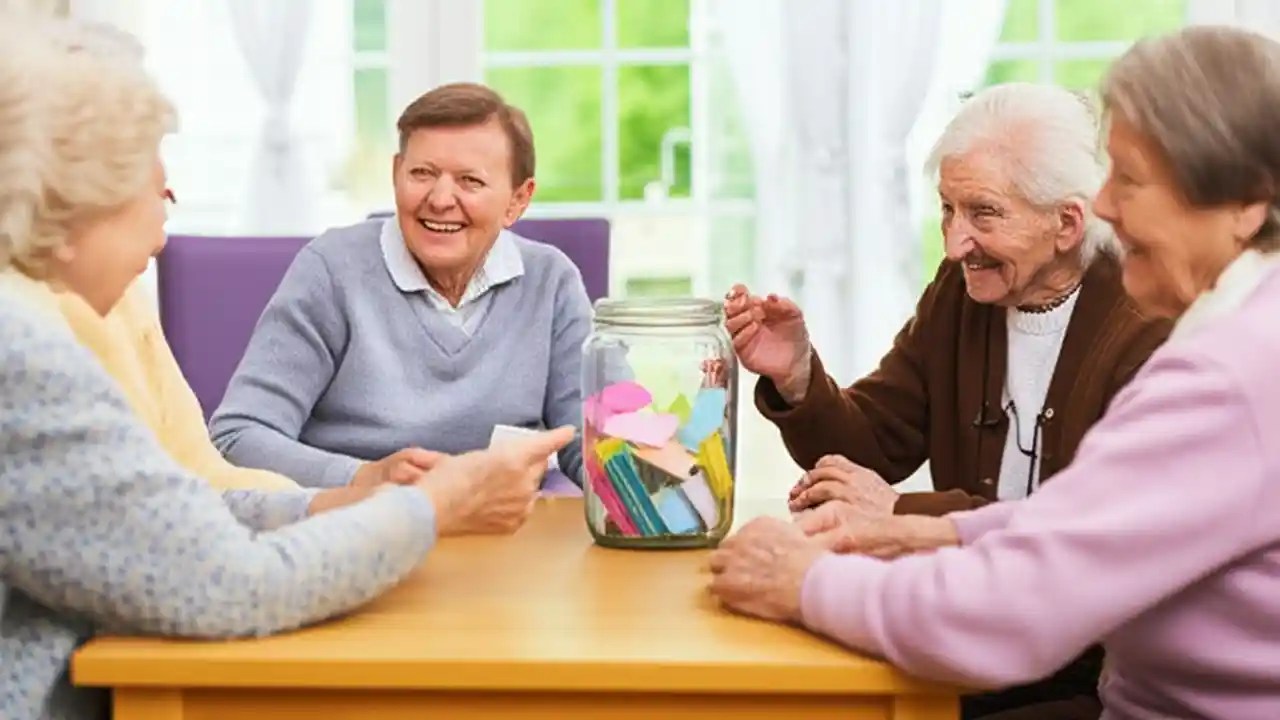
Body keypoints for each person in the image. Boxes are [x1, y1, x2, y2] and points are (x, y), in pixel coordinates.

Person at [0, 19, 570, 720]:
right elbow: (232, 581)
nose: (166, 207)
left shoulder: (38, 322)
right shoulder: (21, 355)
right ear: (78, 200)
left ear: (519, 198)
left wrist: (348, 502)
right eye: (152, 181)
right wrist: (430, 505)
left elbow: (186, 502)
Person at [709, 25, 1280, 720]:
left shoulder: (1221, 371)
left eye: (1128, 179)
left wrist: (808, 581)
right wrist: (924, 529)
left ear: (1245, 205)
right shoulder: (1241, 331)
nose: (1104, 204)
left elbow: (1024, 604)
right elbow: (1076, 525)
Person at [209, 82, 590, 489]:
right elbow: (238, 435)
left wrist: (641, 487)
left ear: (518, 200)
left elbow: (595, 441)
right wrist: (363, 477)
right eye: (422, 173)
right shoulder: (331, 270)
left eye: (470, 181)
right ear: (395, 174)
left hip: (507, 529)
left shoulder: (551, 280)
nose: (441, 198)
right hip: (357, 526)